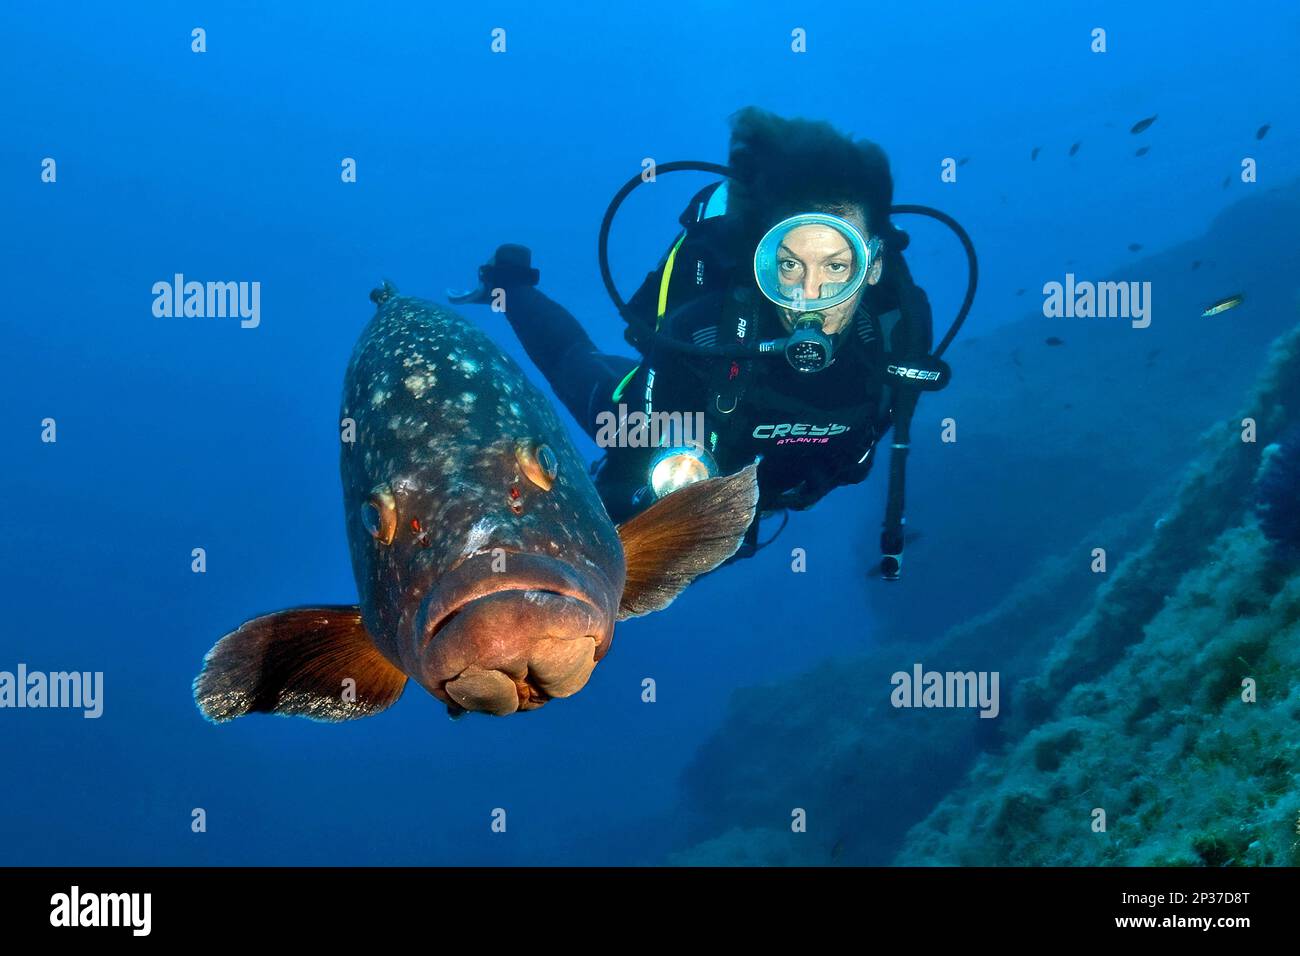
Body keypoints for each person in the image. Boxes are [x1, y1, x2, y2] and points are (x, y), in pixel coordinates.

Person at [452, 107, 951, 575]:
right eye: (789, 265)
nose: (809, 298)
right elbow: (638, 465)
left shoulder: (900, 335)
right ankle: (508, 284)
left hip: (774, 491)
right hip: (674, 442)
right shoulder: (700, 334)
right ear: (762, 261)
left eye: (837, 267)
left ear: (874, 268)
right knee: (580, 375)